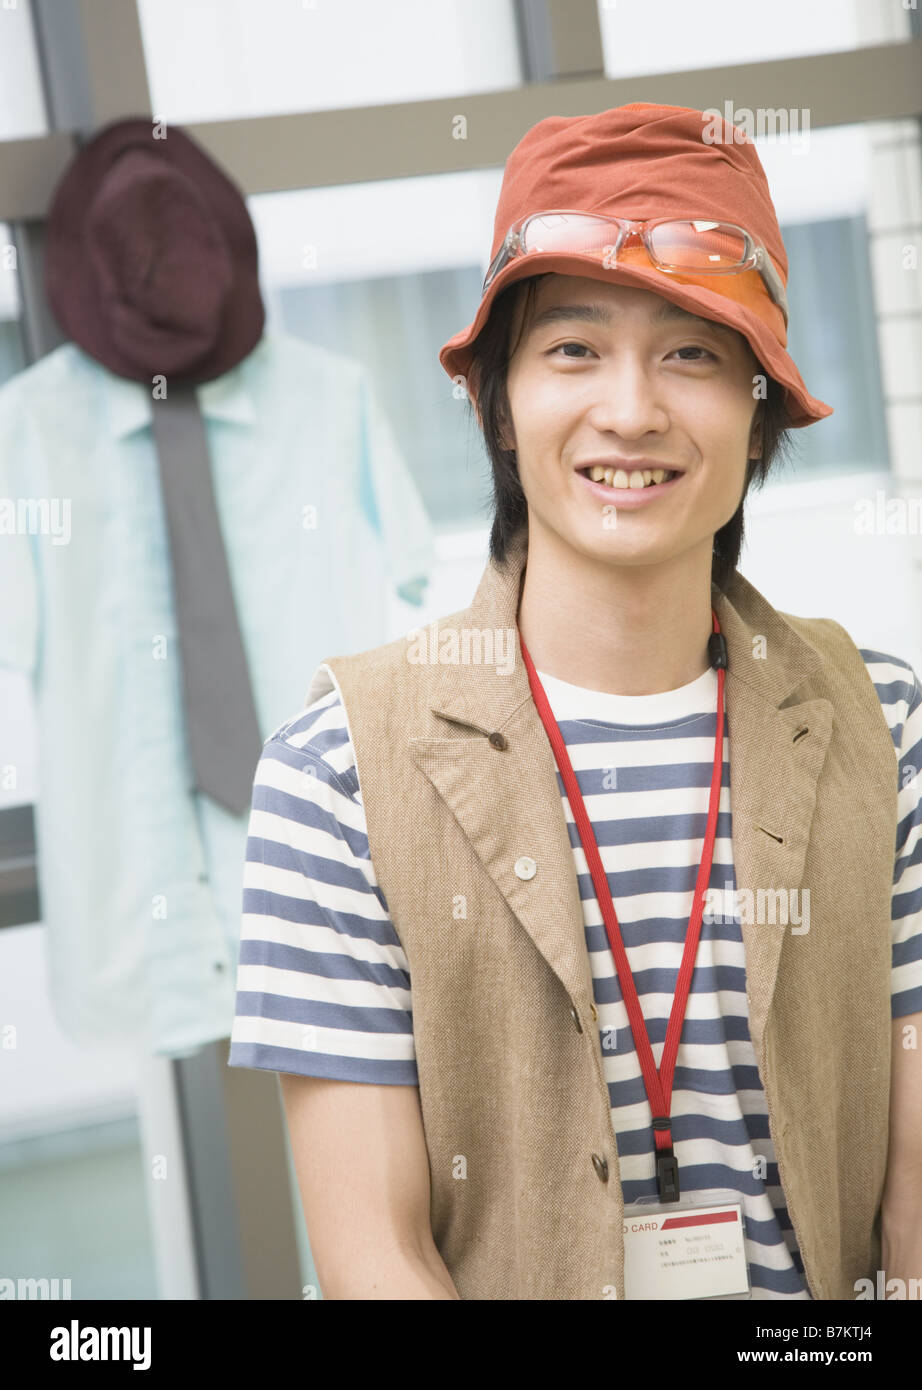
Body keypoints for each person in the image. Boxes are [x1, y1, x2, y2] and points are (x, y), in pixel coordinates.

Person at [227, 103, 922, 1301]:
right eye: (572, 349)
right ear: (497, 403)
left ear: (760, 408)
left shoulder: (886, 726)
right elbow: (375, 1256)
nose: (632, 410)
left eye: (694, 352)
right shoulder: (336, 770)